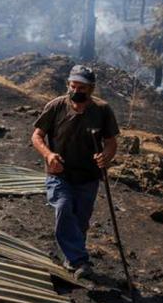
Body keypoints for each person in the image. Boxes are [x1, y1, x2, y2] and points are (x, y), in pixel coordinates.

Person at [31, 64, 120, 279]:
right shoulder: (56, 106)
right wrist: (48, 155)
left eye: (82, 88)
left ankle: (71, 257)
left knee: (80, 220)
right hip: (58, 172)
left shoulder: (102, 110)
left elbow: (111, 142)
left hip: (88, 176)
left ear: (91, 89)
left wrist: (106, 156)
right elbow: (36, 136)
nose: (76, 91)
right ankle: (81, 260)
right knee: (63, 208)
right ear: (68, 85)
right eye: (73, 86)